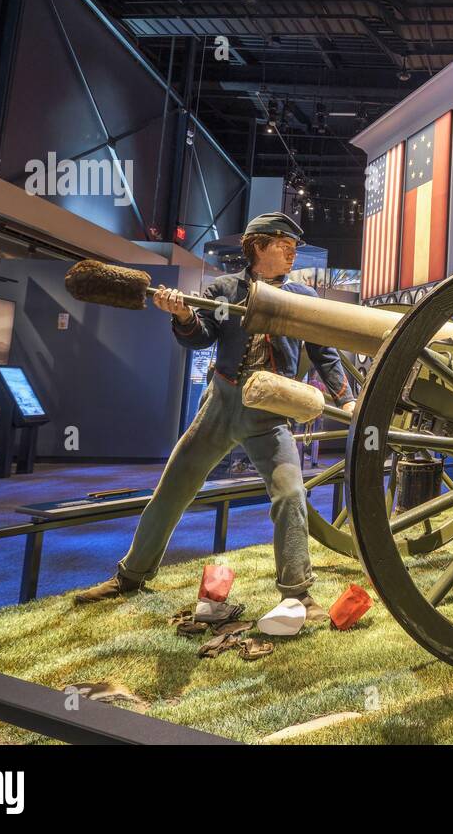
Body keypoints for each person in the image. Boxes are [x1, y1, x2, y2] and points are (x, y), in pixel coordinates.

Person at [73, 212, 356, 624]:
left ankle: (298, 594)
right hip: (221, 406)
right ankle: (131, 576)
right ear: (257, 246)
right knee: (172, 490)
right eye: (283, 243)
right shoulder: (224, 289)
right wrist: (184, 315)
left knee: (291, 495)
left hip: (270, 412)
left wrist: (347, 399)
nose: (293, 250)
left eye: (294, 245)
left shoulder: (302, 298)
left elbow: (325, 353)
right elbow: (202, 335)